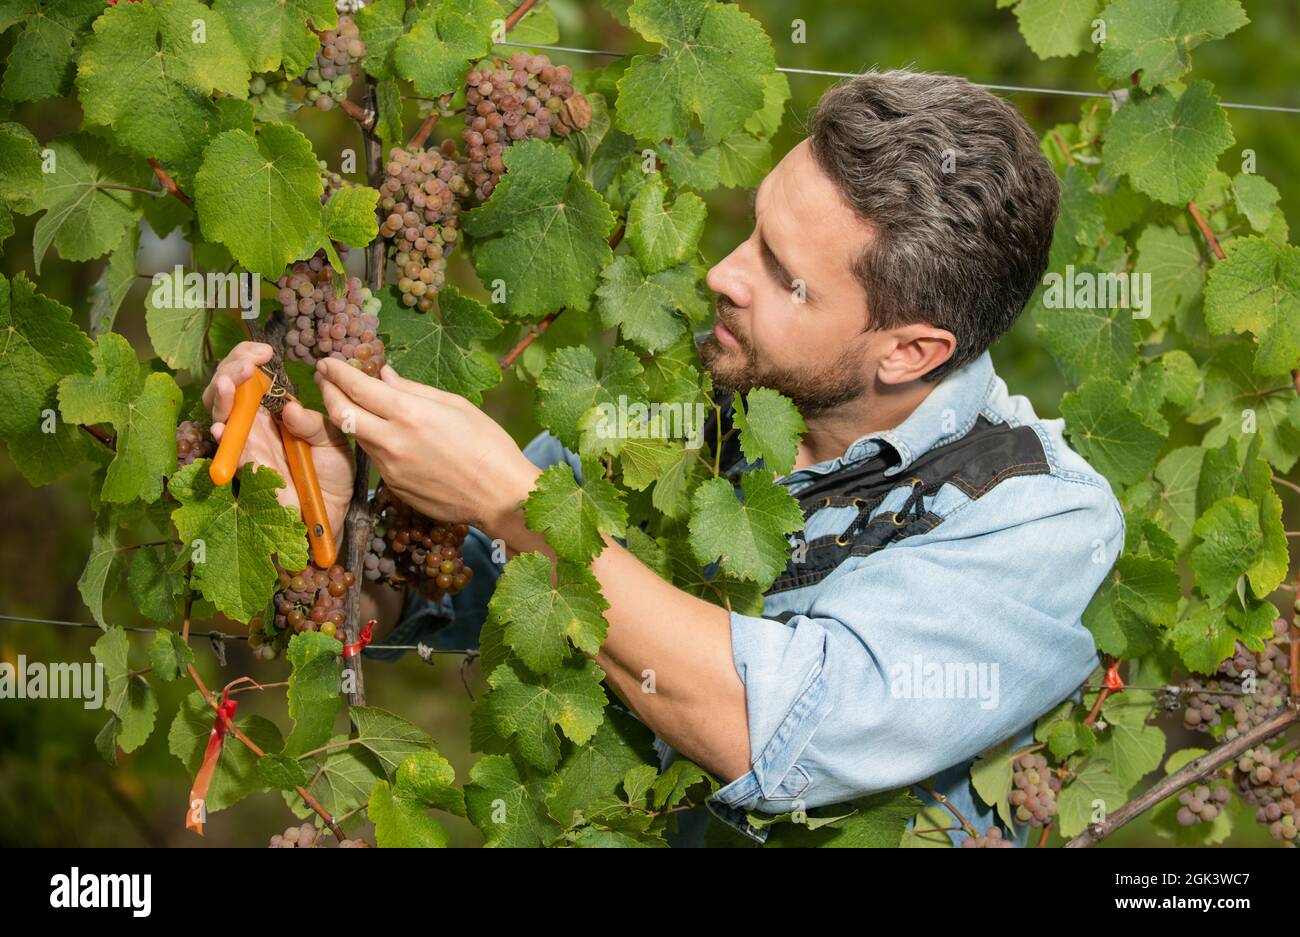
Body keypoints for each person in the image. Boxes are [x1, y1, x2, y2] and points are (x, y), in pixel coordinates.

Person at [204, 69, 1123, 847]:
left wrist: (514, 501)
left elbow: (779, 726)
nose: (724, 272)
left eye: (780, 270)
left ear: (909, 351)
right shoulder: (692, 398)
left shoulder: (1037, 515)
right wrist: (333, 523)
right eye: (753, 228)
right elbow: (461, 597)